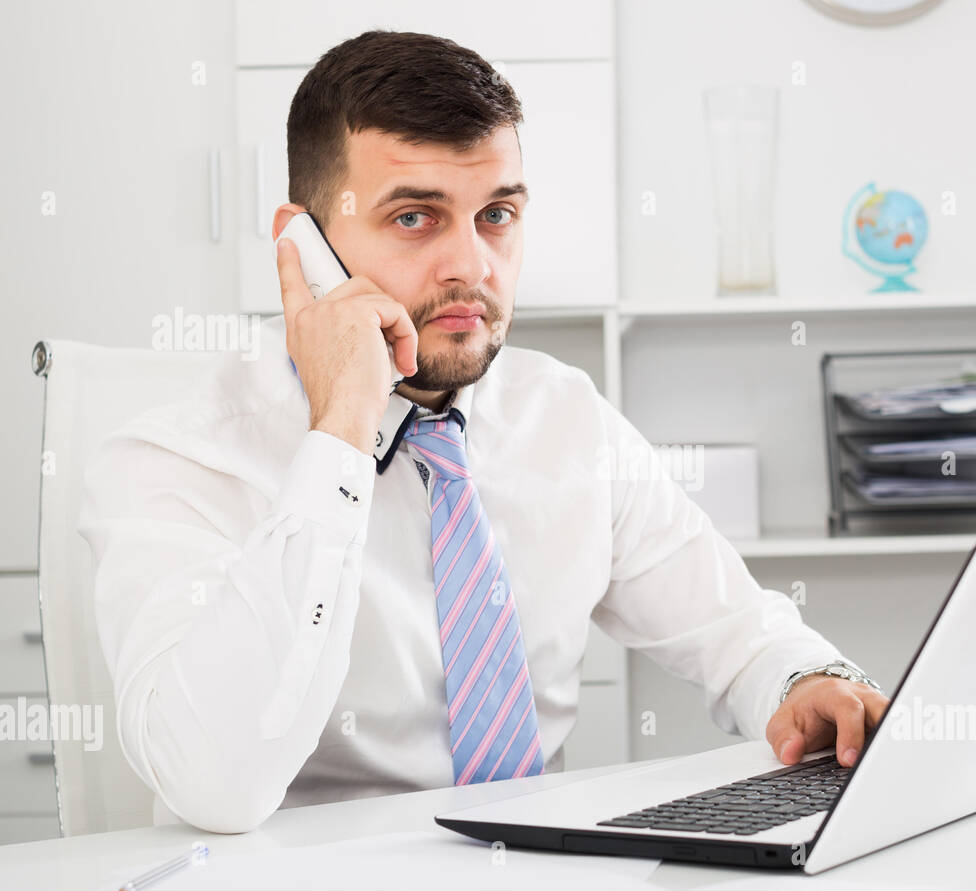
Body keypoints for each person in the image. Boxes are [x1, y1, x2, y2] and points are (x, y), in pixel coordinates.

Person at [79, 30, 887, 835]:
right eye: (415, 217)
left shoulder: (565, 417)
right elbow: (216, 785)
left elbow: (739, 633)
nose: (472, 265)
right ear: (304, 244)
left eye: (496, 214)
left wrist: (807, 679)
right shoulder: (175, 461)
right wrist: (339, 432)